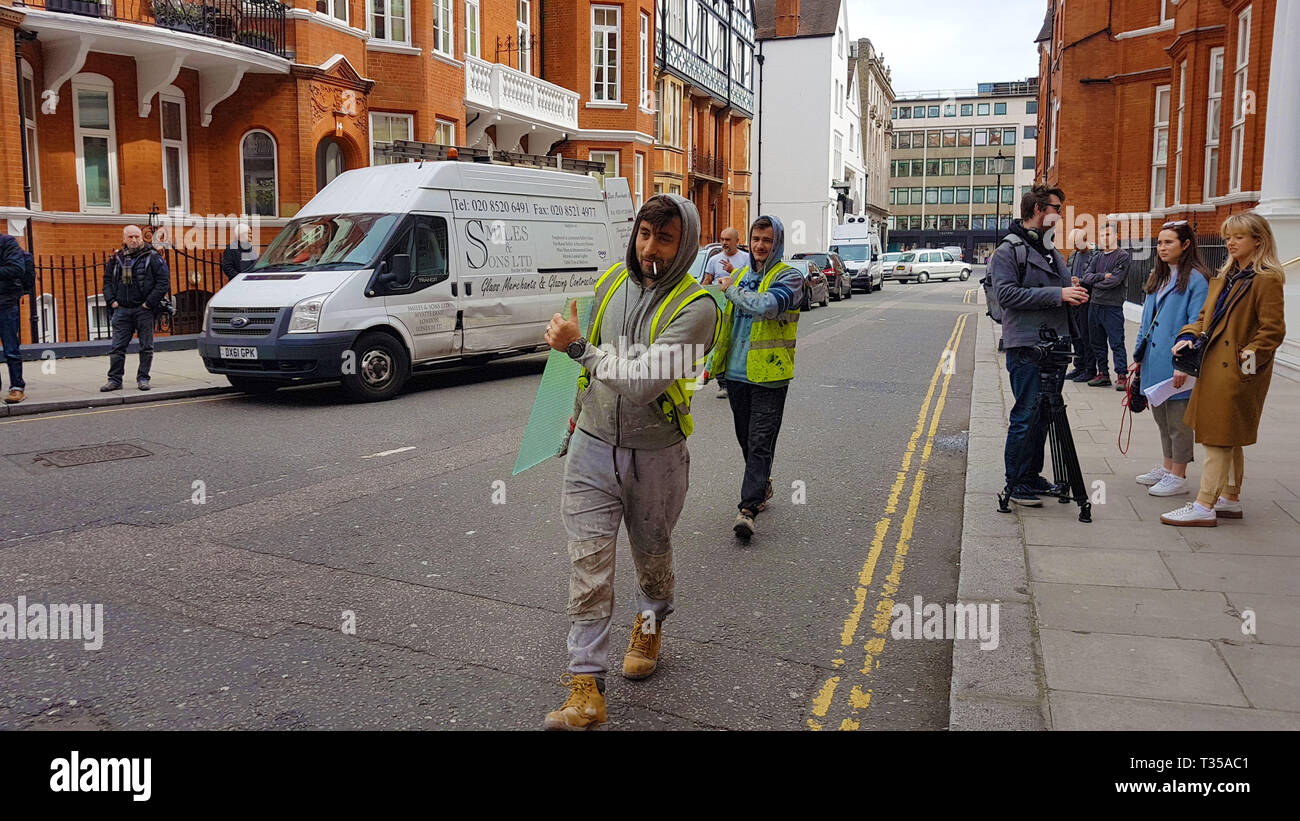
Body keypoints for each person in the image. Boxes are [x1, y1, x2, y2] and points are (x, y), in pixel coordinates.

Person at [540, 194, 720, 730]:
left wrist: (579, 350)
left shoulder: (700, 307)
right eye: (644, 233)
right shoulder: (609, 285)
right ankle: (586, 687)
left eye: (664, 238)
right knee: (588, 566)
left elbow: (642, 383)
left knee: (653, 558)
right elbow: (583, 368)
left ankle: (651, 620)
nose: (649, 248)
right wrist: (567, 421)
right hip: (592, 448)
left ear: (683, 244)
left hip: (657, 455)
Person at [1161, 212, 1287, 527]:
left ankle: (1204, 506)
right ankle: (1229, 497)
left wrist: (1245, 367)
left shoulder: (1266, 279)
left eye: (1238, 237)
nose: (1230, 242)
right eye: (1228, 236)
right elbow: (1205, 316)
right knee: (1227, 433)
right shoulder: (1227, 275)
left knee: (1218, 437)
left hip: (1235, 372)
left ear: (1258, 240)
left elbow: (1272, 331)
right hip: (1214, 366)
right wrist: (1188, 335)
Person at [990, 184, 1089, 507]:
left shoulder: (1050, 249)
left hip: (1054, 344)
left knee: (1045, 415)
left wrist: (1068, 286)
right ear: (1038, 210)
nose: (1060, 215)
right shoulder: (1009, 250)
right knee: (1026, 414)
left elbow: (1048, 285)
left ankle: (1031, 476)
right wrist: (1057, 294)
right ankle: (1015, 482)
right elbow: (1006, 295)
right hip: (1027, 345)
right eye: (1056, 209)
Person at [708, 215, 805, 538]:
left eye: (767, 240)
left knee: (760, 442)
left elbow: (768, 307)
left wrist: (732, 289)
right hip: (736, 375)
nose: (761, 246)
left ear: (777, 243)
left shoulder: (790, 277)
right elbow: (727, 324)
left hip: (769, 376)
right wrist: (714, 363)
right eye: (757, 239)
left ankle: (747, 509)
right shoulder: (741, 275)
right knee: (746, 441)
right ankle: (762, 486)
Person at [1130, 221, 1212, 498]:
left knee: (1178, 420)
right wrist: (1139, 355)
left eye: (1169, 243)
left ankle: (1179, 475)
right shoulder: (1159, 275)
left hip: (1177, 361)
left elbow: (1196, 322)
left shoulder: (1197, 279)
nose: (1162, 248)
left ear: (1186, 245)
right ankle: (1167, 467)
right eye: (1160, 243)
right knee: (1162, 418)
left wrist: (1185, 364)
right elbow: (1145, 318)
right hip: (1153, 358)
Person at [102, 225, 169, 392]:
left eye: (137, 236)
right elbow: (107, 281)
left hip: (143, 309)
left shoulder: (152, 256)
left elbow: (163, 282)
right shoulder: (116, 258)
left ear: (141, 237)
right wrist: (112, 301)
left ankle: (143, 379)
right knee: (117, 347)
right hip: (122, 309)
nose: (134, 240)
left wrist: (148, 303)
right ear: (124, 238)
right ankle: (115, 380)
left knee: (146, 346)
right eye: (130, 237)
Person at [1080, 223, 1131, 389]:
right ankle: (1103, 374)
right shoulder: (1098, 257)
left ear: (1116, 236)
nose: (1105, 238)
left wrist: (1095, 283)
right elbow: (1086, 276)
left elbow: (1115, 281)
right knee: (1097, 342)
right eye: (1102, 235)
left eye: (1108, 234)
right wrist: (1101, 277)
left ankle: (1122, 375)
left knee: (1116, 342)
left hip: (1112, 307)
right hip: (1095, 306)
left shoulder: (1122, 256)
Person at [701, 227, 749, 400]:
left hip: (738, 309)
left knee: (734, 344)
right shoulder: (714, 259)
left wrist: (732, 271)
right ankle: (722, 383)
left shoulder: (746, 259)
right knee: (718, 344)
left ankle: (734, 381)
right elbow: (707, 281)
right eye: (722, 239)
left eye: (728, 240)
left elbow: (749, 282)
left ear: (737, 241)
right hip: (718, 309)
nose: (724, 243)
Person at [0, 232, 33, 404]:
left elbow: (17, 268)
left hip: (5, 303)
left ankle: (17, 387)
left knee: (11, 349)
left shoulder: (7, 242)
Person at [1063, 228, 1099, 382]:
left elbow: (1097, 277)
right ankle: (1079, 366)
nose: (1075, 246)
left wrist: (1083, 281)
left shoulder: (1095, 255)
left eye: (1077, 243)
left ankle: (1089, 369)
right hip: (1073, 299)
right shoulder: (1073, 254)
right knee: (1075, 335)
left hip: (1087, 300)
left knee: (1086, 336)